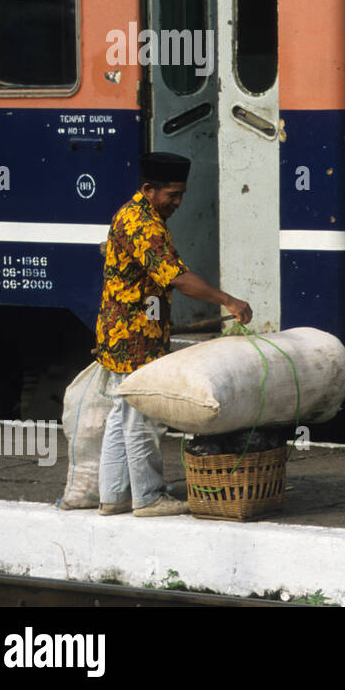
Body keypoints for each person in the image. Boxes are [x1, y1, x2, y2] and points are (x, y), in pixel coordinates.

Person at [94, 151, 252, 516]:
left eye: (181, 195)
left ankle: (114, 496)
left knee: (122, 412)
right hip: (133, 334)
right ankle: (148, 497)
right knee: (141, 416)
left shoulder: (138, 213)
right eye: (172, 195)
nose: (179, 203)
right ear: (149, 190)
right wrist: (227, 299)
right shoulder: (141, 225)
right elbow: (177, 278)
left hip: (126, 329)